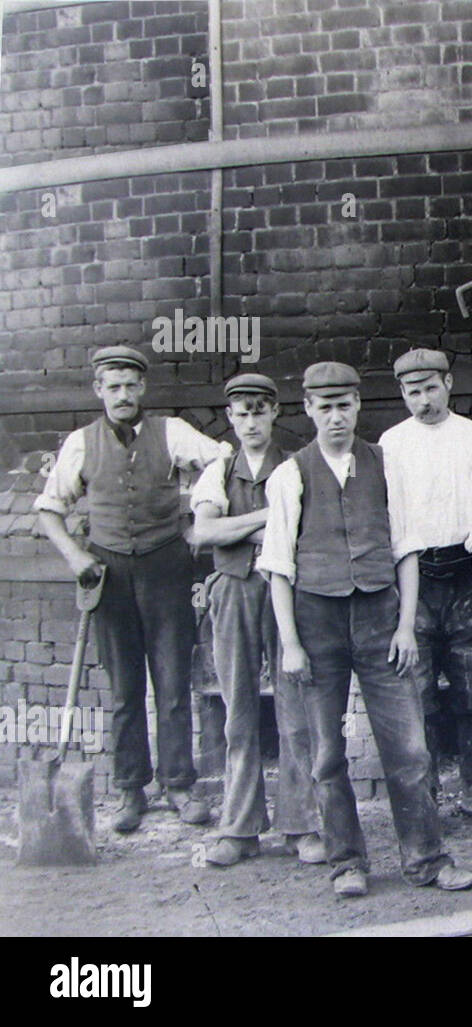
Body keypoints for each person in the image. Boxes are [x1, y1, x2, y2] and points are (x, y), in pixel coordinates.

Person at [257, 361, 472, 898]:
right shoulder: (290, 475)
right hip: (316, 625)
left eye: (345, 406)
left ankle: (427, 860)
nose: (336, 417)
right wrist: (290, 644)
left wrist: (405, 626)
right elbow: (279, 567)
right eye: (325, 407)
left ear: (359, 406)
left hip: (381, 620)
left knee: (409, 749)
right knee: (327, 753)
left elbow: (406, 549)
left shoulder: (386, 465)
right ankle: (347, 863)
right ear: (308, 410)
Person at [36, 345, 229, 833]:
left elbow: (223, 458)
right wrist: (76, 556)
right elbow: (48, 509)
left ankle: (179, 785)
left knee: (171, 685)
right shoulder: (81, 443)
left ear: (143, 387)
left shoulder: (172, 433)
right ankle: (130, 790)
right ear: (98, 390)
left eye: (130, 385)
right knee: (124, 691)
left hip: (167, 570)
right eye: (112, 386)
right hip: (110, 576)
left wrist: (199, 511)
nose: (123, 395)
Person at [190, 373, 324, 867]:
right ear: (230, 418)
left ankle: (301, 826)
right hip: (231, 594)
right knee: (238, 712)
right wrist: (269, 519)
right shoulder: (217, 471)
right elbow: (202, 533)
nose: (250, 421)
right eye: (241, 413)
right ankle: (239, 829)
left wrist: (239, 529)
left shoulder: (294, 467)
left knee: (295, 711)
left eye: (259, 411)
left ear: (274, 414)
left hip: (284, 592)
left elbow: (304, 534)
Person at [378, 348, 472, 832]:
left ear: (449, 383)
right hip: (413, 580)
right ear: (402, 394)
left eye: (431, 388)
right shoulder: (391, 445)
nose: (424, 400)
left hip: (464, 574)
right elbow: (394, 523)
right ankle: (424, 797)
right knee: (417, 695)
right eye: (413, 392)